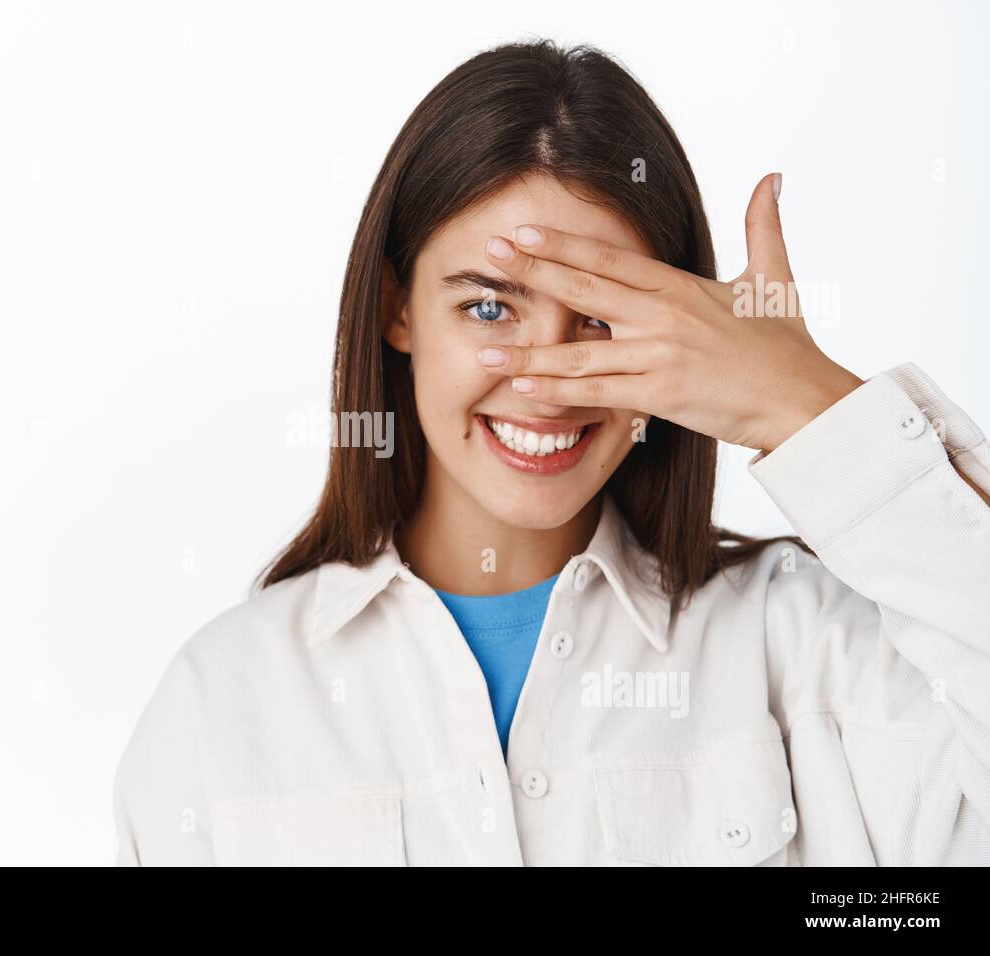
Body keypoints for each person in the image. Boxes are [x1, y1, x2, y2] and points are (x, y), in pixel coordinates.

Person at [112, 40, 990, 865]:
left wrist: (807, 405)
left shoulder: (818, 650)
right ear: (397, 308)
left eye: (602, 319)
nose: (549, 383)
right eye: (489, 308)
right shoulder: (220, 705)